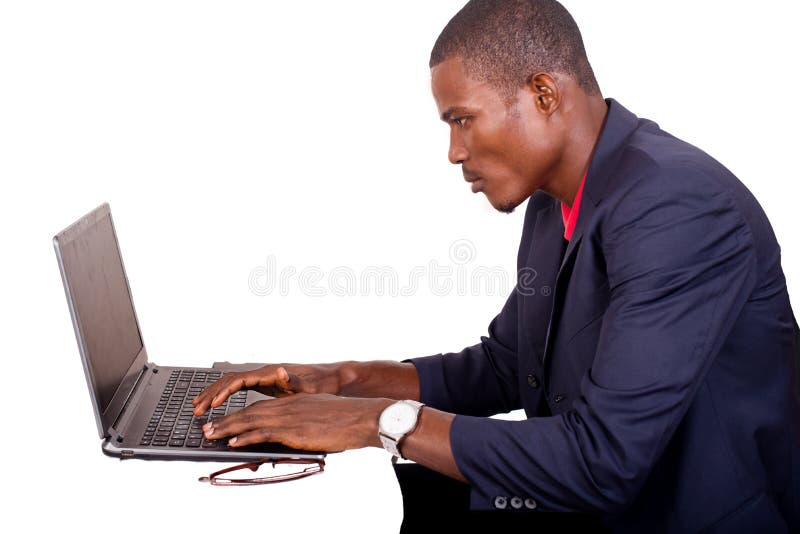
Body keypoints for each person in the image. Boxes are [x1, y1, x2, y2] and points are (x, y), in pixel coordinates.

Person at [192, 1, 800, 531]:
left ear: (543, 94)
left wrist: (378, 421)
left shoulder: (675, 208)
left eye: (461, 119)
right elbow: (510, 365)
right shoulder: (557, 199)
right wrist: (342, 380)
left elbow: (602, 461)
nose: (455, 152)